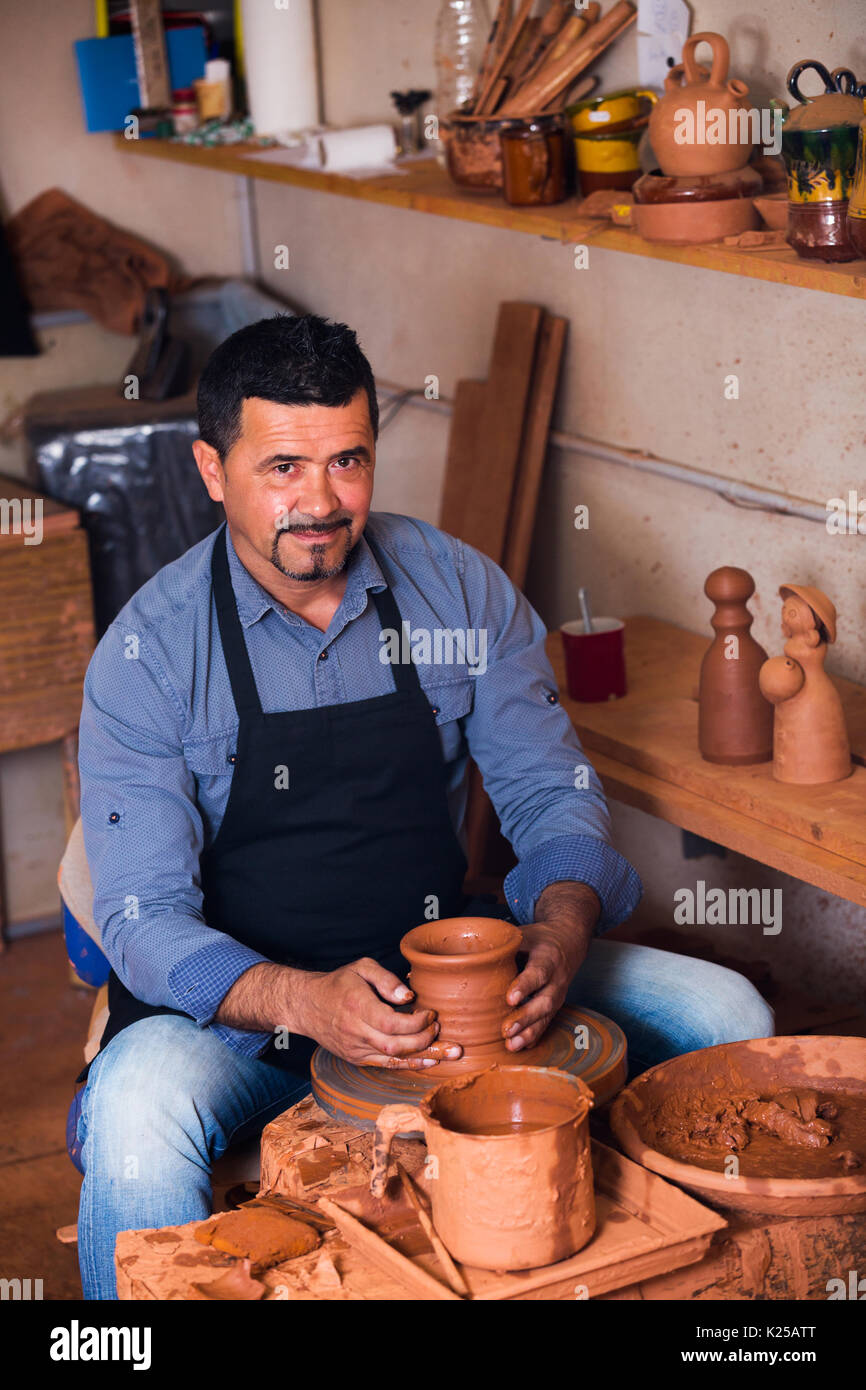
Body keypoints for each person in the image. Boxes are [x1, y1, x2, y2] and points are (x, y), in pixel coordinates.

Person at [75, 314, 773, 1297]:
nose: (320, 502)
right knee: (135, 1110)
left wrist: (560, 928)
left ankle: (726, 1302)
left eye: (347, 461)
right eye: (281, 467)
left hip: (450, 996)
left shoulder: (453, 590)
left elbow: (549, 790)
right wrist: (305, 1000)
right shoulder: (151, 651)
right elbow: (141, 917)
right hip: (241, 1016)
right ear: (209, 468)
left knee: (725, 1010)